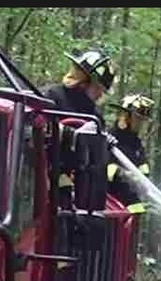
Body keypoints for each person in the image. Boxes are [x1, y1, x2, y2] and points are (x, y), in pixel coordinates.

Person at [43, 50, 116, 207]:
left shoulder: (95, 115)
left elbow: (95, 163)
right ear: (84, 81)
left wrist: (104, 144)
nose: (100, 95)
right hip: (39, 180)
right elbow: (31, 132)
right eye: (98, 89)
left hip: (75, 187)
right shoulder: (50, 97)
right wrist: (72, 136)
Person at [107, 93, 155, 210]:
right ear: (125, 116)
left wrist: (143, 178)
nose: (141, 124)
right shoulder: (109, 139)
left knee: (138, 209)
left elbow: (143, 165)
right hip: (108, 199)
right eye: (138, 119)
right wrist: (125, 174)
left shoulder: (136, 143)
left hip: (129, 198)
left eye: (143, 120)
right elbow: (104, 168)